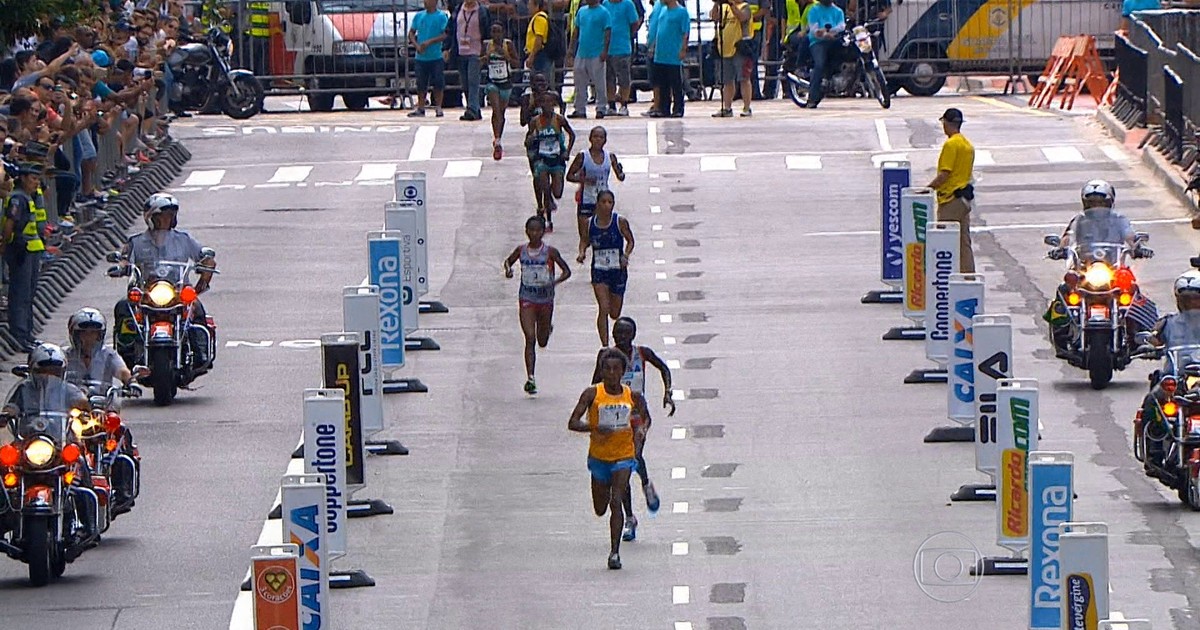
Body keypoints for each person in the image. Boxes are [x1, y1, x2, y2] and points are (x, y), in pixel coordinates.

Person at [1044, 180, 1157, 358]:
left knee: (1133, 290)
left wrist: (1137, 246)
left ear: (1109, 202)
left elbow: (1129, 235)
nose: (1096, 206)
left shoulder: (1119, 220)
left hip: (1111, 268)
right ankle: (1061, 339)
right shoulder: (1079, 220)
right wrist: (1060, 248)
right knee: (1064, 291)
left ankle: (1136, 338)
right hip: (1085, 269)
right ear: (1085, 203)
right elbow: (1068, 236)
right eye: (1092, 203)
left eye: (1101, 202)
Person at [590, 317, 674, 542]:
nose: (621, 338)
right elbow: (594, 385)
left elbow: (663, 368)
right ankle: (629, 517)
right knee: (622, 467)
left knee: (633, 455)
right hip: (615, 417)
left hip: (637, 417)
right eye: (618, 333)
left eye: (626, 334)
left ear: (633, 335)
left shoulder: (642, 353)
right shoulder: (606, 356)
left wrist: (668, 391)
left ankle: (645, 484)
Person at [567, 347, 650, 570]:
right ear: (602, 371)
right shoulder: (592, 394)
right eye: (607, 369)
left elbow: (645, 418)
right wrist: (594, 427)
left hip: (623, 456)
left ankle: (614, 553)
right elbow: (572, 422)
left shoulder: (632, 396)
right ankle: (613, 540)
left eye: (616, 369)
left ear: (623, 372)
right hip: (599, 458)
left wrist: (640, 432)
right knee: (600, 507)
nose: (612, 374)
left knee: (616, 501)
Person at [113, 193, 217, 369]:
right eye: (162, 215)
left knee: (196, 308)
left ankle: (201, 352)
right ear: (151, 217)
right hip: (147, 292)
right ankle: (126, 353)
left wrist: (205, 271)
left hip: (177, 291)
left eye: (170, 215)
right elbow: (124, 258)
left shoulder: (183, 239)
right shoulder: (136, 242)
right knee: (123, 307)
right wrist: (121, 267)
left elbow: (204, 256)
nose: (167, 219)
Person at [503, 215, 572, 394]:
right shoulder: (521, 250)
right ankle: (530, 378)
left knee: (542, 341)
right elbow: (508, 262)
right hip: (527, 298)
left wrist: (554, 282)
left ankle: (547, 328)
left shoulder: (550, 252)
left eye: (538, 230)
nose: (534, 233)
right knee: (530, 337)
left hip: (545, 300)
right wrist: (509, 271)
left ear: (543, 232)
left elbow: (567, 271)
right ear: (526, 231)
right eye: (531, 230)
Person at [576, 190, 635, 346]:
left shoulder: (620, 222)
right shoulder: (589, 223)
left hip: (617, 270)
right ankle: (605, 345)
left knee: (614, 313)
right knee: (603, 307)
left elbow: (630, 241)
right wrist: (582, 253)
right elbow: (584, 240)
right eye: (603, 202)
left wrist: (626, 256)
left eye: (610, 202)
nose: (606, 205)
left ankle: (611, 336)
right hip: (599, 270)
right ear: (597, 203)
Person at [1, 162, 46, 351]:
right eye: (33, 179)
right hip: (21, 249)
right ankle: (19, 335)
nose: (36, 183)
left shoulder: (28, 197)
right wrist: (6, 243)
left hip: (32, 249)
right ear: (23, 178)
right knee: (20, 293)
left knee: (28, 293)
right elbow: (10, 224)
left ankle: (27, 333)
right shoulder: (17, 198)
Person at [927, 108, 975, 272]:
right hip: (964, 199)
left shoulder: (951, 144)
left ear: (946, 123)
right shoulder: (967, 145)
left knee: (943, 241)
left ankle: (944, 279)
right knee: (963, 242)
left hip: (950, 200)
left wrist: (928, 189)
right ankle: (967, 277)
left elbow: (944, 174)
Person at [567, 125, 625, 252]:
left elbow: (620, 176)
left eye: (601, 137)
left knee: (601, 233)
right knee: (585, 236)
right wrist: (584, 180)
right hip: (586, 199)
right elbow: (569, 176)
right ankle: (582, 252)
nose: (598, 140)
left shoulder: (610, 157)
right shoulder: (583, 156)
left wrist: (621, 172)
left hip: (603, 201)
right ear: (590, 138)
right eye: (595, 137)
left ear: (605, 140)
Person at [526, 91, 575, 230]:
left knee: (557, 193)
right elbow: (528, 141)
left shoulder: (559, 120)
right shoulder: (535, 122)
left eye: (550, 103)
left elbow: (572, 134)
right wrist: (531, 139)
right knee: (545, 189)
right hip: (542, 159)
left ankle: (549, 203)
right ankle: (547, 218)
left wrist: (567, 151)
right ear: (540, 105)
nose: (547, 106)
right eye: (544, 102)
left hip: (557, 158)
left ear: (554, 105)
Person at [520, 73, 567, 206]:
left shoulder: (553, 96)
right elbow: (523, 121)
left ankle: (548, 195)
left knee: (554, 171)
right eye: (537, 82)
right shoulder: (527, 98)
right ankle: (540, 204)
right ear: (532, 85)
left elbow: (563, 106)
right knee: (537, 174)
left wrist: (558, 118)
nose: (540, 85)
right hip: (535, 140)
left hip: (552, 137)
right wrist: (533, 105)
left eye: (543, 82)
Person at [64, 307, 136, 392]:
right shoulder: (64, 355)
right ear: (75, 335)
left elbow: (121, 371)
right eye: (84, 333)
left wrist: (131, 382)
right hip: (71, 402)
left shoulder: (109, 354)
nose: (89, 338)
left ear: (100, 335)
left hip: (102, 401)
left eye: (93, 333)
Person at [447, 0, 492, 121]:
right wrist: (447, 48)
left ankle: (472, 109)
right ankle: (474, 109)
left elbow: (487, 31)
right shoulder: (458, 10)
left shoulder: (482, 11)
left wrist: (486, 50)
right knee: (465, 82)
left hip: (476, 51)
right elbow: (451, 30)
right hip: (461, 51)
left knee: (473, 80)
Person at [568, 0, 612, 119]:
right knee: (579, 83)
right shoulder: (581, 12)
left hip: (597, 53)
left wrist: (605, 51)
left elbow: (608, 32)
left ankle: (601, 108)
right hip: (582, 52)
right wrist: (571, 50)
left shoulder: (604, 12)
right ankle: (579, 108)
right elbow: (576, 31)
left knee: (599, 83)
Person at [409, 0, 451, 118]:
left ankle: (438, 106)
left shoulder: (441, 16)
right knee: (421, 83)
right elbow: (411, 33)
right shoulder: (419, 16)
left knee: (438, 82)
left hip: (436, 55)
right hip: (421, 57)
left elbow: (445, 34)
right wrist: (417, 45)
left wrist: (430, 42)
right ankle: (421, 107)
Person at [799, 0, 844, 109]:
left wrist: (832, 32)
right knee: (819, 64)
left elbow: (842, 26)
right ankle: (812, 98)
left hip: (835, 42)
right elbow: (814, 29)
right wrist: (824, 34)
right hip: (818, 42)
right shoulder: (814, 10)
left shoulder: (838, 11)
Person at [711, 0, 753, 117]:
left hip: (740, 48)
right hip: (725, 48)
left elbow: (742, 17)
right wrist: (717, 4)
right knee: (727, 81)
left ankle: (747, 107)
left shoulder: (745, 7)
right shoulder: (724, 9)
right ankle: (727, 107)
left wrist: (731, 4)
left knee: (744, 78)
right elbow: (714, 18)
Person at [484, 23, 519, 160]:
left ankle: (498, 135)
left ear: (503, 33)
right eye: (493, 31)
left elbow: (516, 62)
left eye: (498, 31)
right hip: (492, 83)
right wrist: (485, 59)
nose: (496, 35)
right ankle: (497, 141)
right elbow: (481, 61)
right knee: (496, 110)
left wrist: (507, 57)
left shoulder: (508, 45)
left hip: (506, 83)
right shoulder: (488, 45)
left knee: (501, 114)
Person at [649, 0, 689, 118]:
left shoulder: (682, 12)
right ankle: (664, 108)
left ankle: (678, 108)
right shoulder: (662, 10)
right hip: (660, 53)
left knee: (675, 83)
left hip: (673, 54)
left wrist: (683, 49)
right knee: (663, 83)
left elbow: (685, 33)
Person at [604, 0, 640, 116]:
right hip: (607, 48)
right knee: (609, 78)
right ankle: (611, 104)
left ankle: (624, 104)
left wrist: (629, 35)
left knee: (624, 78)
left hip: (623, 47)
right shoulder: (605, 4)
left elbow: (634, 23)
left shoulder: (628, 4)